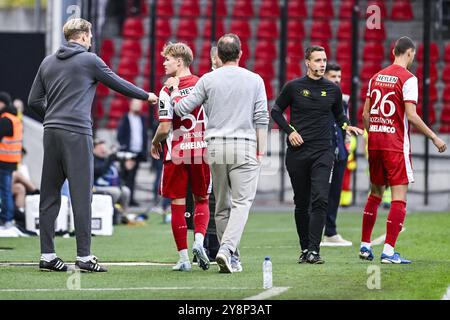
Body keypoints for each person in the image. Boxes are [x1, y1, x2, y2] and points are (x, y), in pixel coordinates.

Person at [28, 18, 158, 272]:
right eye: (90, 36)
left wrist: (52, 119)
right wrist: (147, 96)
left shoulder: (48, 61)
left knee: (49, 194)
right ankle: (85, 257)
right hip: (77, 132)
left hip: (51, 132)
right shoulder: (90, 60)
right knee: (81, 195)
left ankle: (47, 255)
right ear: (85, 35)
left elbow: (34, 100)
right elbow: (118, 83)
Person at [165, 34, 269, 273]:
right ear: (241, 54)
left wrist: (172, 91)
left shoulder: (208, 80)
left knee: (222, 206)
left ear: (219, 57)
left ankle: (232, 258)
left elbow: (181, 108)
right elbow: (262, 116)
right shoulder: (255, 79)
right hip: (244, 145)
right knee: (242, 203)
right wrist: (261, 150)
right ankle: (226, 250)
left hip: (214, 146)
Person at [359, 36, 447, 264]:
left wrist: (374, 133)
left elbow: (365, 115)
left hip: (375, 144)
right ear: (409, 53)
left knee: (375, 194)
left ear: (392, 51)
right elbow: (411, 116)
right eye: (414, 55)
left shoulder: (375, 77)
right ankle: (388, 252)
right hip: (395, 146)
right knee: (399, 198)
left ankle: (365, 245)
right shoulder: (409, 79)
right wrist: (434, 137)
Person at [271, 46, 362, 264]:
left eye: (324, 60)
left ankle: (314, 249)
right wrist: (290, 131)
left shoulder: (333, 90)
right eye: (318, 60)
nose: (322, 64)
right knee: (302, 203)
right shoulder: (293, 87)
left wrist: (346, 126)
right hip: (298, 153)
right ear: (307, 62)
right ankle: (305, 249)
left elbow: (339, 115)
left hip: (324, 151)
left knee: (320, 198)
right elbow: (276, 111)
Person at [151, 42, 211, 272]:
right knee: (202, 199)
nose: (164, 63)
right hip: (200, 150)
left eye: (167, 59)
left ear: (179, 61)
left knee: (177, 203)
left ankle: (184, 259)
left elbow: (165, 128)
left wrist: (154, 143)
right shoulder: (202, 83)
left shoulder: (167, 90)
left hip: (175, 152)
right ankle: (199, 242)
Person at [321, 63, 352, 247]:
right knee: (319, 193)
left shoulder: (343, 99)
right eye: (333, 77)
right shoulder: (320, 97)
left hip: (339, 152)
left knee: (335, 194)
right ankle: (315, 232)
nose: (337, 81)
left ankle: (330, 232)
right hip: (324, 152)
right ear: (324, 76)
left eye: (339, 77)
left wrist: (346, 148)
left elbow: (345, 124)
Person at [0, 92, 25, 236]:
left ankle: (6, 219)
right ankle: (7, 219)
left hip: (3, 160)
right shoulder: (15, 119)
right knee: (7, 191)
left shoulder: (4, 120)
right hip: (12, 161)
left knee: (5, 192)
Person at [117, 98, 148, 207]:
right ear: (131, 105)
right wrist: (126, 153)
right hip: (127, 153)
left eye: (139, 104)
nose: (137, 106)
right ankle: (123, 199)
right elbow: (120, 136)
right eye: (135, 104)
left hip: (138, 153)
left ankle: (130, 199)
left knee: (133, 177)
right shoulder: (126, 118)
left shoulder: (142, 118)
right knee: (125, 177)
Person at [93, 139, 131, 214]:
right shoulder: (92, 159)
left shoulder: (109, 160)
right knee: (115, 192)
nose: (103, 151)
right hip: (96, 187)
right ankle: (111, 214)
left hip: (112, 186)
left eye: (104, 148)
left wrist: (126, 169)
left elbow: (120, 176)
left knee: (126, 190)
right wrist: (109, 160)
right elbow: (98, 171)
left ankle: (122, 214)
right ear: (93, 149)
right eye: (100, 149)